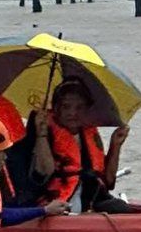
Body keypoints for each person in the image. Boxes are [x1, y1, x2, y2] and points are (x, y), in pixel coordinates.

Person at [25, 78, 130, 213]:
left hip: (90, 197)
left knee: (120, 208)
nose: (72, 113)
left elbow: (108, 181)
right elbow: (44, 172)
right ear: (56, 108)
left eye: (79, 107)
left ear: (87, 109)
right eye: (66, 107)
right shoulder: (44, 131)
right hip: (57, 200)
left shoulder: (88, 133)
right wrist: (41, 135)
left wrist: (115, 145)